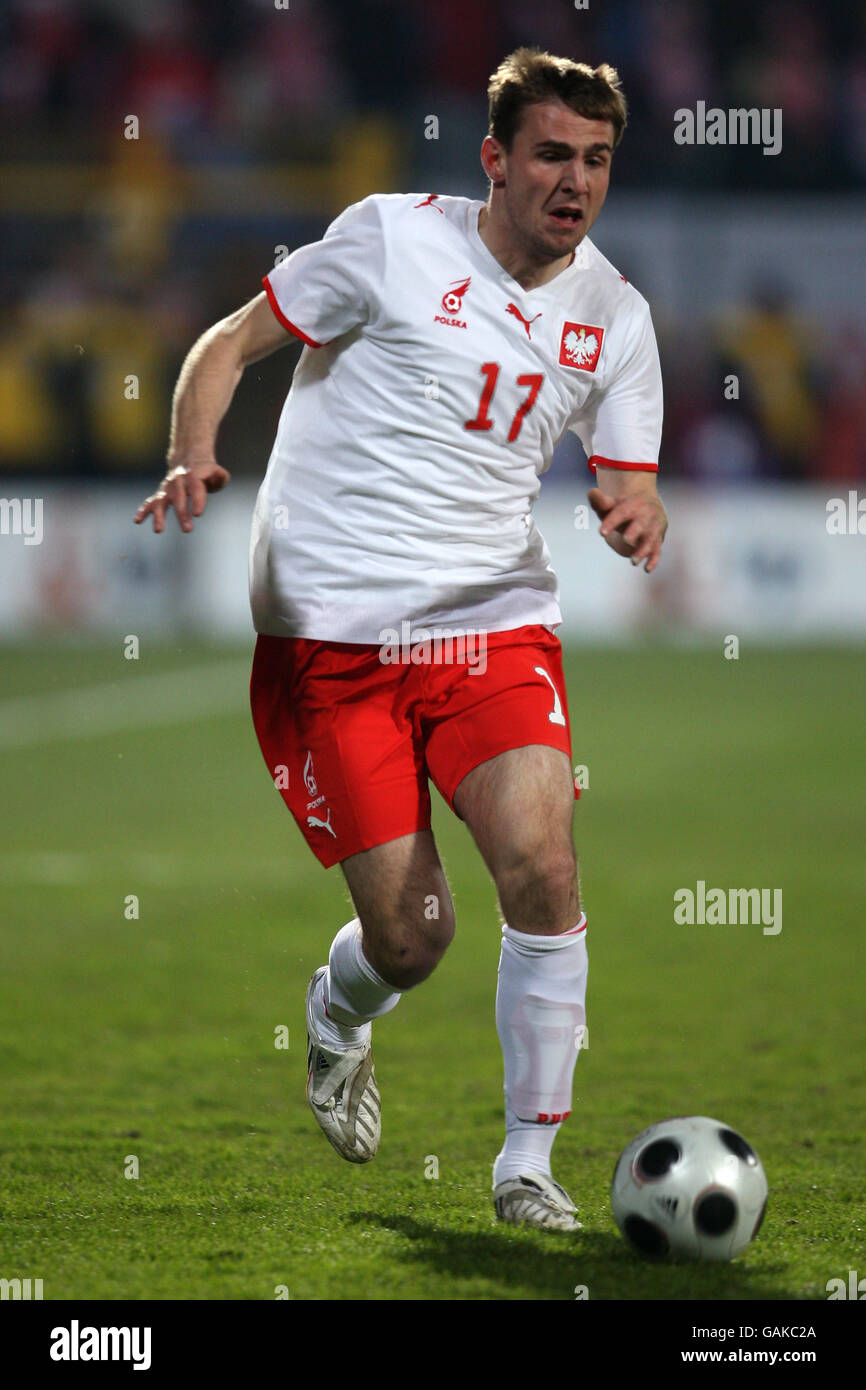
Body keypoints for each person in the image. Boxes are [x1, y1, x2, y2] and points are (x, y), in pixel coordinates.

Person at [135, 47, 667, 1232]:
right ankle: (339, 1009)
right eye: (549, 154)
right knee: (413, 936)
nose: (573, 180)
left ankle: (527, 1166)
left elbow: (630, 476)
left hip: (493, 624)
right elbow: (224, 344)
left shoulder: (614, 320)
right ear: (493, 159)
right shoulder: (388, 239)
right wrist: (189, 449)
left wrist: (637, 508)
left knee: (544, 866)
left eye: (595, 159)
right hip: (331, 640)